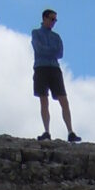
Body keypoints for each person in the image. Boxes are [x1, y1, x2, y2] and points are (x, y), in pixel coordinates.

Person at [31, 9, 81, 142]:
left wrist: (48, 51)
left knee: (63, 100)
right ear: (45, 18)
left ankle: (70, 131)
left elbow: (60, 53)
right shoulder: (36, 33)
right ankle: (46, 131)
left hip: (54, 69)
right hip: (41, 68)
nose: (54, 22)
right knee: (43, 100)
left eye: (55, 20)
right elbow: (39, 49)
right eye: (52, 19)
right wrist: (50, 51)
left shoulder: (56, 37)